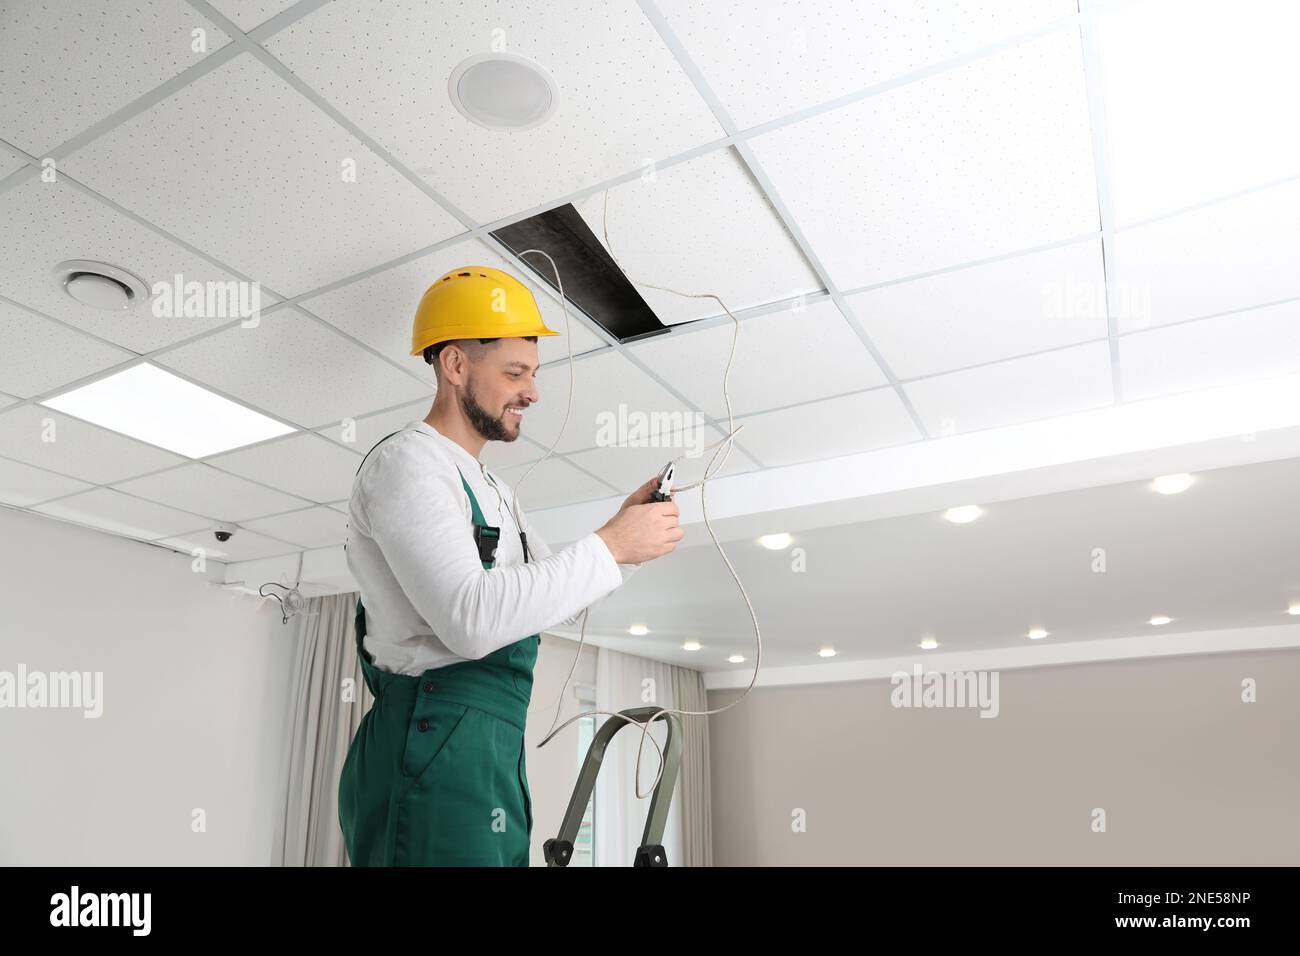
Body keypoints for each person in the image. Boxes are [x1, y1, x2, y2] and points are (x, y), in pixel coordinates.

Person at [338, 265, 682, 865]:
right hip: (432, 743)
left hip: (487, 750)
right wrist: (609, 545)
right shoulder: (409, 466)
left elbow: (552, 600)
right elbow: (469, 621)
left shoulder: (495, 488)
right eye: (515, 373)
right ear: (455, 366)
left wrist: (625, 546)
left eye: (534, 374)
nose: (533, 392)